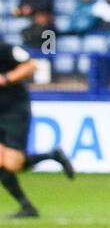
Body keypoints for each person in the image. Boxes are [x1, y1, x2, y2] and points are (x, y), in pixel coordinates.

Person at [0, 41, 75, 218]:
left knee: (12, 164)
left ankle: (53, 155)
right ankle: (27, 206)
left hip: (14, 111)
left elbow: (32, 65)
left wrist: (6, 78)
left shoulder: (5, 49)